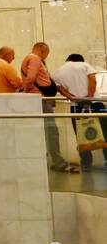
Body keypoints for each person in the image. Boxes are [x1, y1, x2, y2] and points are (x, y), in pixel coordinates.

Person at [22, 42, 73, 173]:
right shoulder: (35, 58)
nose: (46, 58)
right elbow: (31, 77)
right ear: (42, 51)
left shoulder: (29, 58)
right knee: (52, 131)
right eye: (46, 54)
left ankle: (51, 160)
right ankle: (58, 162)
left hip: (38, 99)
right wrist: (27, 91)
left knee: (47, 131)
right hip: (40, 99)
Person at [53, 53, 103, 171]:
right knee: (104, 131)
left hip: (76, 106)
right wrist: (89, 97)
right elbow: (93, 80)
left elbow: (61, 89)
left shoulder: (57, 72)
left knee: (81, 135)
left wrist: (71, 97)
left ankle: (86, 164)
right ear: (80, 60)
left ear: (67, 60)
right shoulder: (84, 65)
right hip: (95, 103)